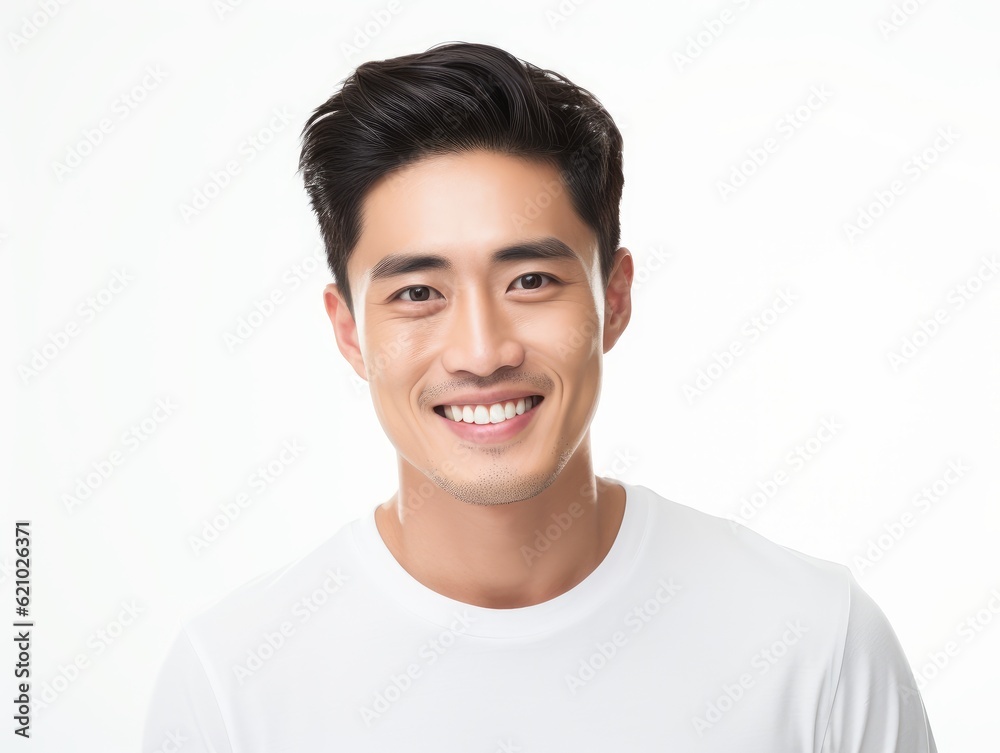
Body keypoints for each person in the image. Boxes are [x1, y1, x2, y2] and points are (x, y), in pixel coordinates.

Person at [142, 41, 938, 751]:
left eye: (530, 280)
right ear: (349, 332)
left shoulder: (815, 641)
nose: (483, 351)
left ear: (613, 300)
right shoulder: (233, 682)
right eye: (418, 292)